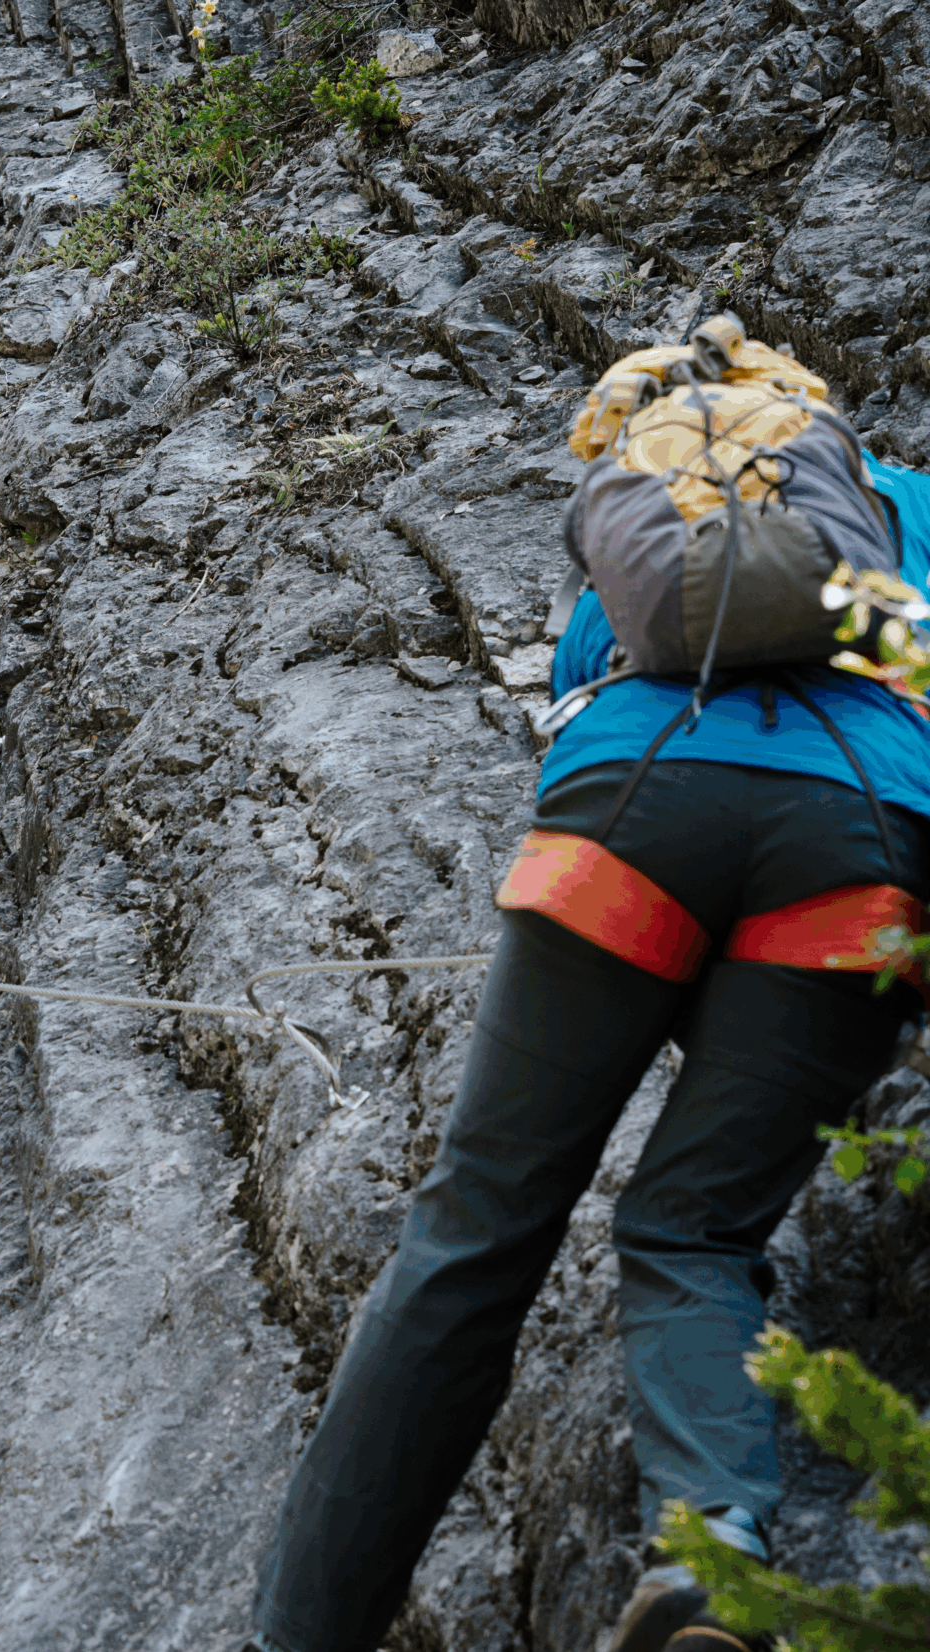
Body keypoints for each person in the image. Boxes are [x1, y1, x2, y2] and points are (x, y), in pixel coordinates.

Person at [246, 449, 930, 1652]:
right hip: (866, 840)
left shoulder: (673, 497)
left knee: (474, 1229)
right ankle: (710, 1558)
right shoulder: (905, 516)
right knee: (695, 1224)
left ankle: (299, 1638)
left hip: (631, 803)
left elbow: (584, 674)